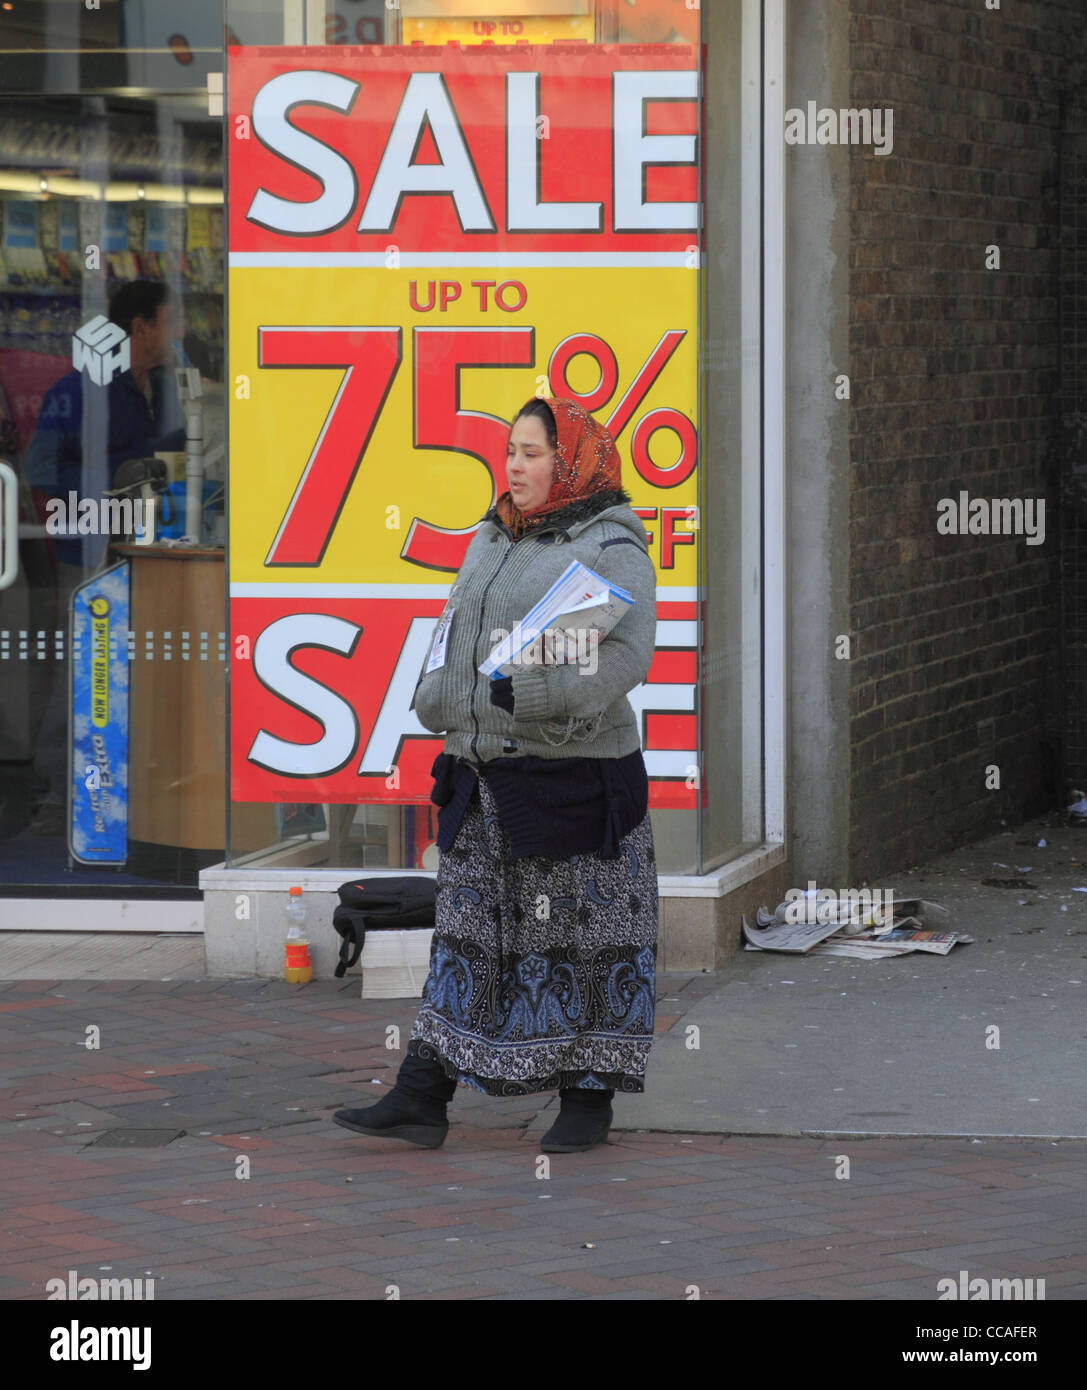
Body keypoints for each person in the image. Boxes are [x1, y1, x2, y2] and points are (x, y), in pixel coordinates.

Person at [334, 395, 660, 1154]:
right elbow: (457, 633)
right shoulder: (490, 535)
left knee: (587, 946)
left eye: (533, 452)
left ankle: (587, 1102)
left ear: (571, 461)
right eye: (510, 450)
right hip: (483, 778)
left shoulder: (613, 548)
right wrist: (437, 697)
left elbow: (621, 656)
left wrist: (540, 690)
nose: (514, 465)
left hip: (573, 782)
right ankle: (422, 1096)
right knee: (465, 941)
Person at [22, 278, 186, 834]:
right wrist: (104, 496)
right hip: (88, 556)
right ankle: (51, 793)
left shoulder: (162, 391)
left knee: (131, 671)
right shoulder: (80, 391)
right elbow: (41, 471)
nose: (179, 332)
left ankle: (118, 781)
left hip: (148, 555)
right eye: (170, 321)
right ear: (141, 328)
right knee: (81, 672)